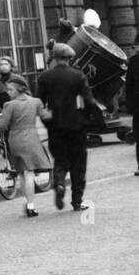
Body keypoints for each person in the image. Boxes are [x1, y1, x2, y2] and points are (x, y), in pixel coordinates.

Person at [37, 42, 96, 211]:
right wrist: (87, 118)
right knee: (78, 163)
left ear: (54, 57)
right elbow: (89, 101)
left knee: (60, 160)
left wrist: (47, 120)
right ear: (70, 58)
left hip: (55, 125)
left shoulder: (45, 77)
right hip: (76, 125)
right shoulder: (78, 76)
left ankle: (60, 183)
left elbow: (39, 102)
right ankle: (77, 200)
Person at [0, 74, 52, 217]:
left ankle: (29, 203)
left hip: (16, 140)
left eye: (11, 89)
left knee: (22, 173)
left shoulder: (9, 105)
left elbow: (2, 125)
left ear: (19, 89)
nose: (8, 92)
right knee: (29, 172)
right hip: (32, 138)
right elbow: (45, 117)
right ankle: (31, 205)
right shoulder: (36, 102)